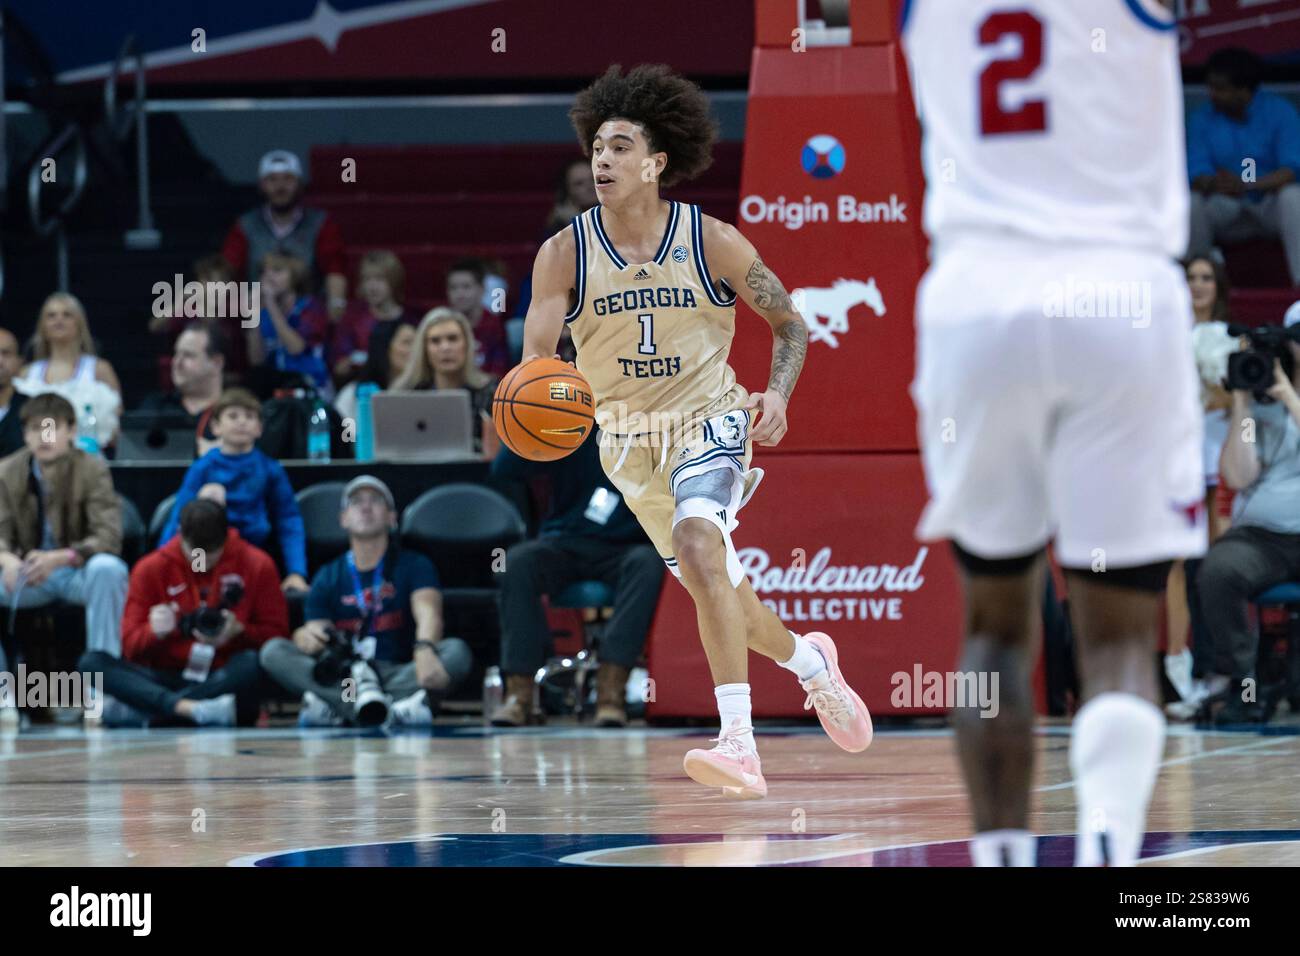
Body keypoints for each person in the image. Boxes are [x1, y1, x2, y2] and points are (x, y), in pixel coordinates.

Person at [902, 0, 1206, 867]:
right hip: (1118, 293)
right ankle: (1111, 855)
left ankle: (1000, 853)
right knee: (1117, 633)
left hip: (976, 295)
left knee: (994, 622)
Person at [522, 64, 871, 799]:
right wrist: (536, 401)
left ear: (656, 163)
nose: (603, 160)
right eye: (596, 149)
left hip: (709, 419)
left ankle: (739, 744)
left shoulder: (713, 242)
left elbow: (789, 323)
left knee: (698, 543)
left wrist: (775, 395)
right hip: (624, 442)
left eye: (620, 147)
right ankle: (812, 665)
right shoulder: (563, 254)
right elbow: (535, 366)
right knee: (726, 598)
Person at [259, 476, 472, 727]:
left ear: (392, 518)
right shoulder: (328, 574)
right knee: (273, 651)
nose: (366, 507)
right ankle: (391, 712)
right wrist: (306, 637)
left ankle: (340, 710)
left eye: (376, 501)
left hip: (398, 670)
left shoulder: (415, 564)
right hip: (347, 677)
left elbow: (429, 612)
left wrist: (425, 647)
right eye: (356, 502)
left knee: (456, 652)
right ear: (343, 518)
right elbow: (317, 631)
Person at [490, 427, 663, 727]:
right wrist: (528, 421)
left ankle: (611, 690)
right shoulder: (573, 421)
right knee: (514, 563)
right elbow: (504, 469)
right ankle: (519, 694)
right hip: (564, 542)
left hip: (627, 546)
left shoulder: (653, 421)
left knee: (649, 563)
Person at [78, 499, 287, 728]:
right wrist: (153, 632)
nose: (203, 563)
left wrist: (240, 632)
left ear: (226, 538)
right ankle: (188, 710)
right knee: (92, 662)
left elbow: (277, 639)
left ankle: (152, 712)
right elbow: (129, 647)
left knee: (252, 665)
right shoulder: (151, 568)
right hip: (165, 675)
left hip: (220, 675)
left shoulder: (257, 564)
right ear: (180, 535)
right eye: (196, 554)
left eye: (212, 555)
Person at [1196, 300, 1300, 724]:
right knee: (1219, 569)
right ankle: (1244, 683)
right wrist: (1241, 403)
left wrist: (1291, 397)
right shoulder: (1258, 410)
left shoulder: (1286, 400)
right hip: (1264, 539)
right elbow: (1239, 477)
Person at [0, 393, 129, 670]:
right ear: (24, 435)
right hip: (28, 574)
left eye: (52, 428)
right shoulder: (6, 472)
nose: (44, 437)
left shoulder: (92, 468)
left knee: (109, 569)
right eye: (36, 429)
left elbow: (109, 536)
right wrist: (7, 560)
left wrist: (60, 558)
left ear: (72, 431)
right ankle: (3, 696)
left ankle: (103, 686)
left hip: (76, 571)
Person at [1166, 257, 1236, 716]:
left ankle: (1221, 670)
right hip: (1175, 457)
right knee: (1176, 562)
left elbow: (1238, 395)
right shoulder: (1164, 334)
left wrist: (1219, 394)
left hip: (1220, 457)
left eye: (1206, 277)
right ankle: (1176, 663)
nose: (1198, 285)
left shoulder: (1233, 338)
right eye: (1191, 277)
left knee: (1216, 566)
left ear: (1219, 285)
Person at [159, 388, 309, 592]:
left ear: (260, 428)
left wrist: (296, 573)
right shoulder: (202, 467)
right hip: (205, 553)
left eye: (249, 416)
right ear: (216, 426)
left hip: (251, 554)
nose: (241, 422)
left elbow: (288, 520)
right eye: (233, 416)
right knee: (193, 589)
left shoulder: (270, 469)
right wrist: (163, 566)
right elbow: (180, 519)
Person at [1187, 47, 1300, 285]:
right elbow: (1196, 171)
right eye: (1211, 87)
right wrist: (1214, 182)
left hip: (1268, 204)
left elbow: (1292, 169)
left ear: (1244, 91)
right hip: (1226, 205)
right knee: (1192, 202)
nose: (1212, 94)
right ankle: (1198, 288)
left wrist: (1248, 184)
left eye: (1220, 89)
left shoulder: (1279, 112)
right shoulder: (1203, 118)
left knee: (1293, 196)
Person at [220, 150, 349, 320]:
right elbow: (226, 270)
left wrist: (335, 309)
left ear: (300, 184)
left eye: (288, 179)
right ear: (262, 185)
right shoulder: (246, 225)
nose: (280, 187)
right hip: (256, 315)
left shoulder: (321, 224)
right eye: (272, 180)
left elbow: (335, 271)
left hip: (308, 318)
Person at [16, 293, 122, 449]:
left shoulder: (99, 369)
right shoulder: (27, 373)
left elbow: (114, 422)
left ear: (79, 324)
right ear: (42, 326)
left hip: (85, 459)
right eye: (51, 316)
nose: (59, 320)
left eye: (67, 315)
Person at [390, 308, 497, 452]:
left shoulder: (491, 392)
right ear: (425, 349)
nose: (445, 347)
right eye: (435, 341)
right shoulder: (405, 393)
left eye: (453, 339)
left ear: (467, 344)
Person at [245, 252, 333, 398]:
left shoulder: (311, 308)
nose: (268, 277)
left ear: (295, 276)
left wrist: (270, 304)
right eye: (264, 272)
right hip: (276, 386)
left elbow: (296, 348)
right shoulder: (263, 313)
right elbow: (256, 359)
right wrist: (253, 315)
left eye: (277, 271)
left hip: (311, 385)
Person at [135, 322, 226, 457]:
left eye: (188, 355)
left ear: (216, 362)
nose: (176, 362)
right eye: (176, 354)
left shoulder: (236, 412)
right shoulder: (154, 407)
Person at [330, 250, 416, 385]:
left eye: (379, 279)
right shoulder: (352, 320)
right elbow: (339, 367)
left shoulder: (411, 321)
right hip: (361, 389)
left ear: (394, 280)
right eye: (366, 279)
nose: (372, 286)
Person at [333, 321, 417, 424]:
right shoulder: (353, 395)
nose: (415, 350)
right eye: (407, 342)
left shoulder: (422, 391)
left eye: (417, 343)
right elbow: (345, 437)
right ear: (384, 347)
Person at [445, 259, 510, 378]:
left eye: (466, 287)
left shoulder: (494, 326)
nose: (459, 294)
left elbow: (499, 372)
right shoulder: (442, 325)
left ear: (482, 289)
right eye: (453, 288)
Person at [0, 328, 29, 459]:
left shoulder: (41, 410)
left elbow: (52, 449)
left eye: (6, 353)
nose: (0, 361)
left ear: (19, 362)